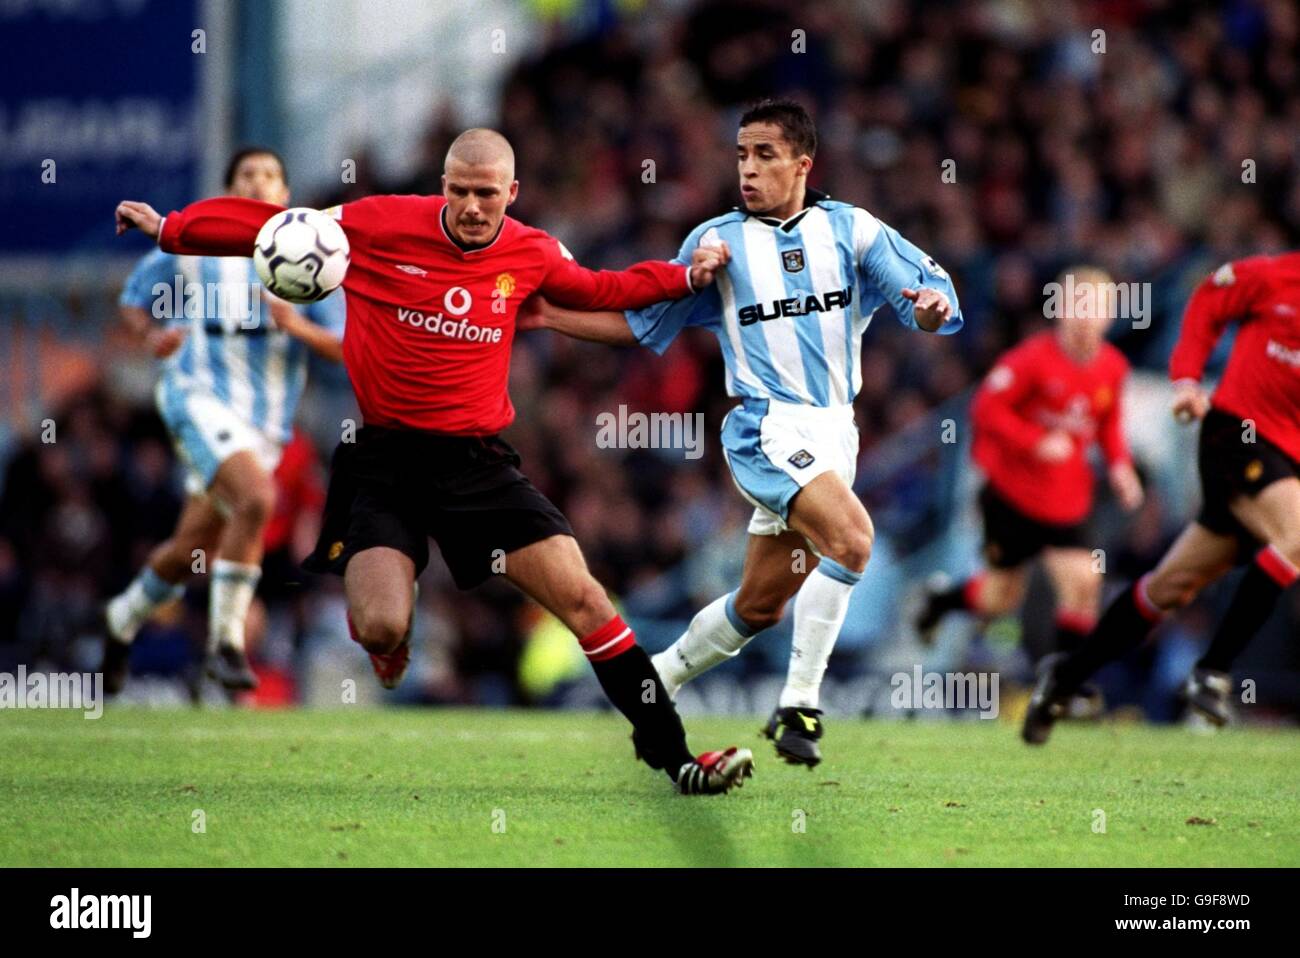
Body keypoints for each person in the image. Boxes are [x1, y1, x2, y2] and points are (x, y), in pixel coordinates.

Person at [115, 129, 752, 795]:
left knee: (587, 600)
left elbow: (601, 288)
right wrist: (174, 229)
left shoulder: (531, 251)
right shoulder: (379, 222)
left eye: (487, 194)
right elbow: (272, 225)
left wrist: (684, 276)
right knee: (380, 625)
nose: (473, 206)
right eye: (460, 191)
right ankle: (391, 637)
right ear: (443, 186)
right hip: (384, 462)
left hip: (478, 466)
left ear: (512, 192)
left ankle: (677, 758)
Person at [520, 99, 961, 767]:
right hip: (766, 427)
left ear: (803, 164)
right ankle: (800, 707)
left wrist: (928, 310)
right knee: (853, 539)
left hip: (834, 433)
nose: (748, 169)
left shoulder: (852, 231)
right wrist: (550, 316)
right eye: (741, 155)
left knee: (759, 607)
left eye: (764, 155)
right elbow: (645, 324)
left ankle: (654, 681)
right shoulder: (717, 243)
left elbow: (925, 299)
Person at [1024, 253, 1300, 743]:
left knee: (1170, 586)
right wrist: (1187, 379)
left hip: (1285, 466)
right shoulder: (1276, 276)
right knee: (1297, 535)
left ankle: (1062, 680)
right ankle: (1212, 672)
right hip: (1238, 435)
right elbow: (1209, 299)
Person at [103, 147, 345, 693]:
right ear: (230, 190)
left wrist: (298, 327)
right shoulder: (196, 247)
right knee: (257, 498)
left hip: (265, 427)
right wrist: (150, 335)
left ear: (285, 193)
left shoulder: (316, 251)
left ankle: (122, 617)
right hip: (195, 396)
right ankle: (227, 642)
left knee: (189, 548)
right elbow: (133, 299)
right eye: (246, 175)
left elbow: (344, 348)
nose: (258, 183)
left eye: (269, 175)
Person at [913, 266, 1143, 715]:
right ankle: (941, 601)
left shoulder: (1113, 368)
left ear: (1109, 316)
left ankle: (1065, 684)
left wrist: (1121, 467)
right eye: (1078, 306)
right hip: (1011, 497)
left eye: (1096, 308)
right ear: (1061, 311)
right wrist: (1035, 441)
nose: (1086, 317)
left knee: (1084, 581)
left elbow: (1108, 423)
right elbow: (986, 409)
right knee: (1002, 598)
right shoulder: (1030, 360)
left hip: (1067, 502)